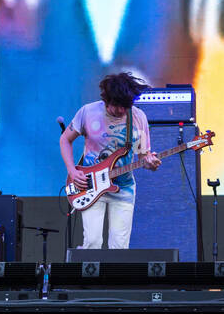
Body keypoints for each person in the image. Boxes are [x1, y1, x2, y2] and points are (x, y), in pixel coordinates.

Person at [60, 71, 160, 249]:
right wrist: (72, 171)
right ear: (106, 100)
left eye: (125, 106)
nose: (121, 110)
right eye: (116, 106)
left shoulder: (138, 118)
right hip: (90, 186)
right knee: (92, 242)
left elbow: (144, 154)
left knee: (119, 247)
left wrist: (150, 162)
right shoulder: (87, 112)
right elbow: (65, 139)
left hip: (124, 188)